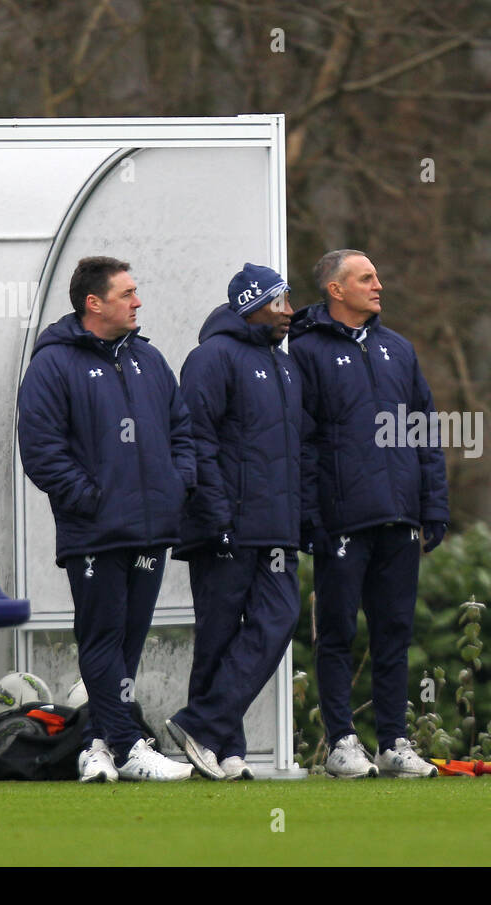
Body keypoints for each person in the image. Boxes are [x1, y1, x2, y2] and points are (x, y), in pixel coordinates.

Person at [18, 256, 196, 783]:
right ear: (94, 303)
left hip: (150, 529)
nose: (138, 302)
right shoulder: (53, 365)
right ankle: (127, 744)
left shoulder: (150, 360)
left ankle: (97, 747)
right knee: (102, 638)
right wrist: (91, 498)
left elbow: (181, 431)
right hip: (94, 529)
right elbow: (42, 452)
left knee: (129, 642)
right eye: (127, 293)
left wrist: (176, 484)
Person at [288, 250, 450, 778]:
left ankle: (394, 742)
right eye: (366, 277)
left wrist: (433, 505)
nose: (379, 285)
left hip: (399, 516)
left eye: (377, 275)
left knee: (394, 632)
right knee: (335, 632)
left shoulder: (398, 349)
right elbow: (301, 442)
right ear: (336, 289)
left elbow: (424, 430)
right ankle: (340, 743)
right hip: (342, 520)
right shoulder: (304, 350)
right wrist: (312, 516)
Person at [165, 264, 302, 781]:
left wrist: (300, 519)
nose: (289, 311)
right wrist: (215, 517)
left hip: (275, 528)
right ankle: (223, 747)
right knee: (219, 635)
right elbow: (197, 443)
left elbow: (295, 452)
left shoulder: (285, 366)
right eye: (279, 302)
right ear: (252, 304)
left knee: (278, 619)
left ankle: (201, 727)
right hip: (223, 526)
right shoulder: (211, 358)